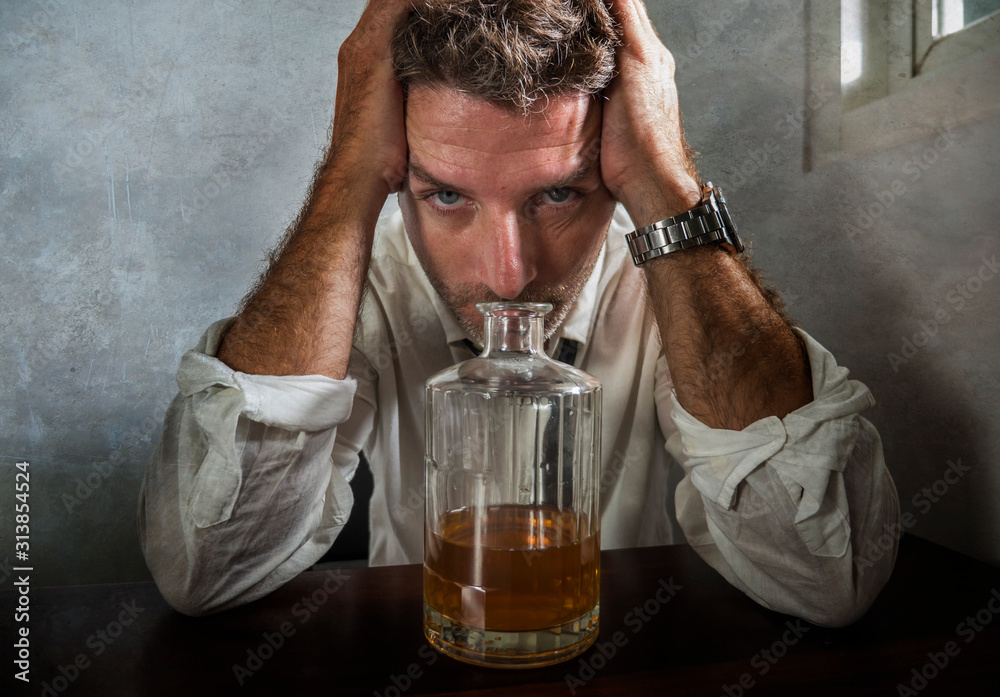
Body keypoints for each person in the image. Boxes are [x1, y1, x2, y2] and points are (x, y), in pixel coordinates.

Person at [138, 0, 900, 625]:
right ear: (398, 173)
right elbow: (207, 571)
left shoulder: (669, 283)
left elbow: (826, 581)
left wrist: (667, 179)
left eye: (558, 194)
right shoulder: (365, 283)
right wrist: (348, 171)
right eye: (446, 195)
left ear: (614, 171)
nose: (508, 275)